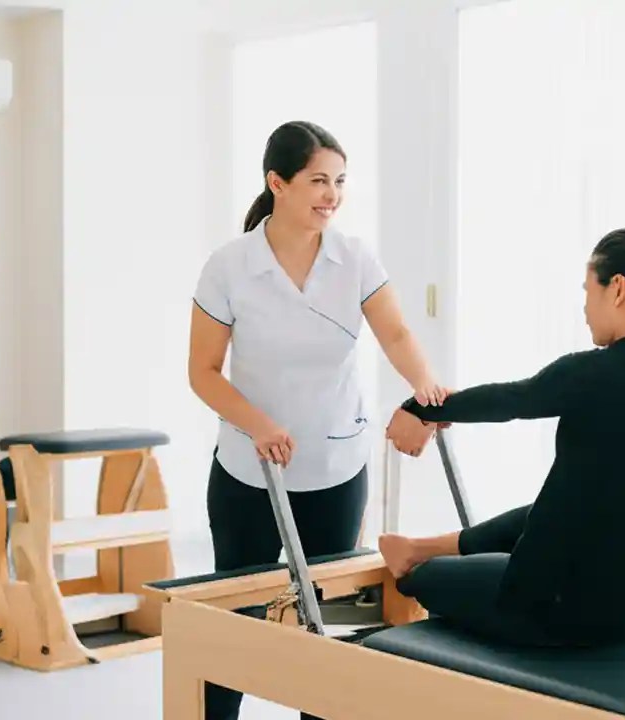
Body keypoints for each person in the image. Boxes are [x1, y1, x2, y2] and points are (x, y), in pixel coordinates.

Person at [187, 120, 447, 720]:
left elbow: (397, 332)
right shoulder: (229, 267)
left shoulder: (353, 258)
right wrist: (258, 424)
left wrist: (426, 387)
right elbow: (203, 371)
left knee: (339, 618)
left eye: (340, 182)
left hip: (336, 464)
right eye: (318, 181)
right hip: (249, 473)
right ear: (277, 183)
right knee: (238, 613)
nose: (332, 194)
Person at [379, 226, 625, 648]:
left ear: (617, 289)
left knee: (424, 581)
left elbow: (511, 400)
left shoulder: (598, 372)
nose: (584, 308)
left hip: (573, 607)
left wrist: (419, 409)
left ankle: (418, 561)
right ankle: (419, 546)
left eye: (588, 291)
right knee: (549, 509)